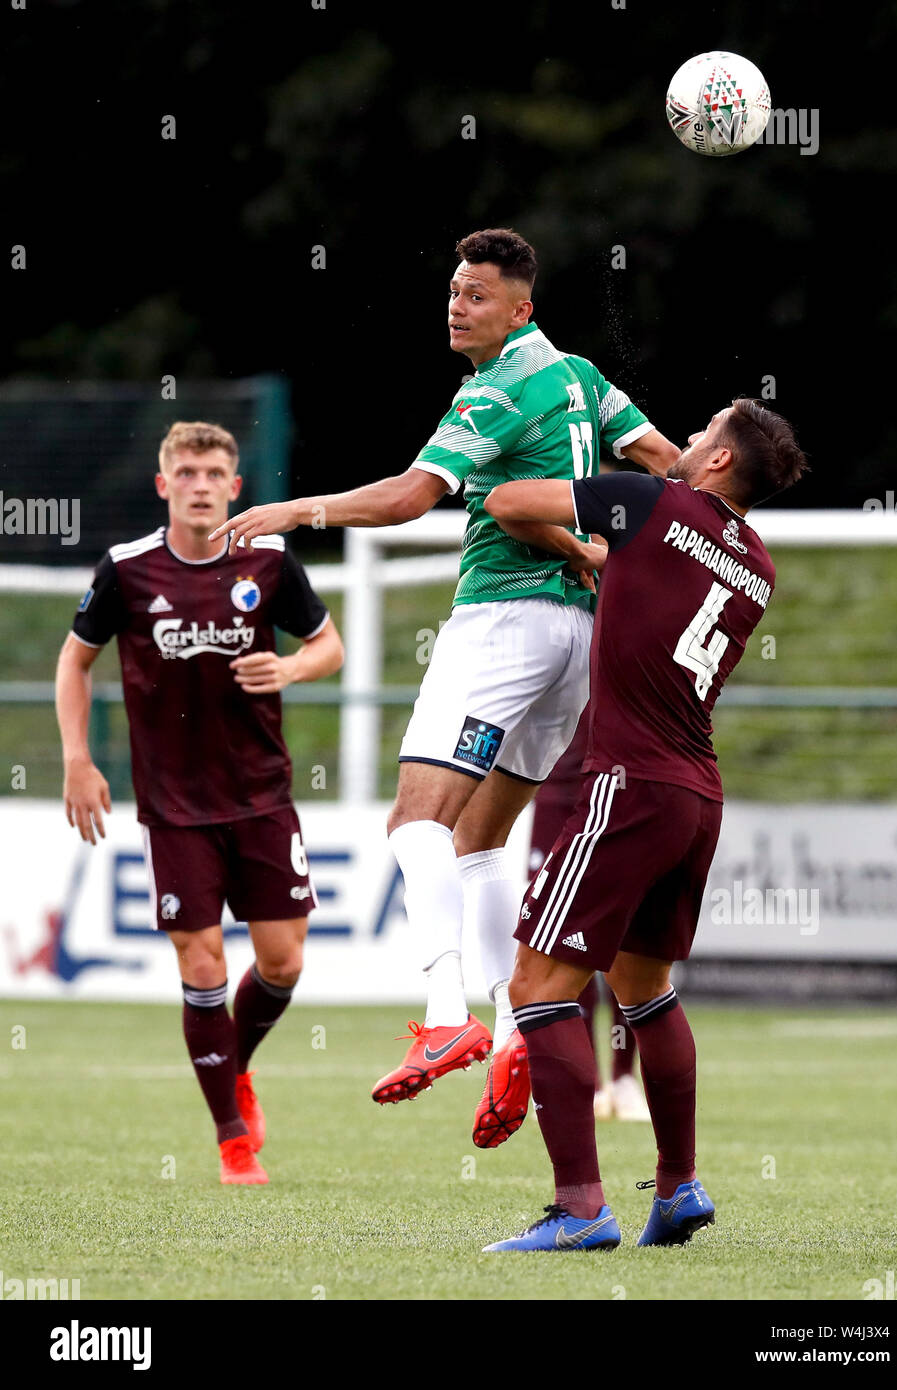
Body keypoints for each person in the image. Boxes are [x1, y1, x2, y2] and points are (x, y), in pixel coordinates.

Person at [211, 228, 679, 1134]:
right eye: (454, 291)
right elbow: (667, 463)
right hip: (579, 637)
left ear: (520, 308)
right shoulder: (582, 377)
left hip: (501, 623)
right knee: (483, 841)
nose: (457, 305)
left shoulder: (499, 389)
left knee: (415, 820)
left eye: (475, 294)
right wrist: (663, 548)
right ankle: (514, 1030)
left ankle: (443, 1017)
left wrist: (292, 509)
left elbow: (405, 501)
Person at [479, 398, 808, 1252]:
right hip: (696, 793)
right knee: (645, 990)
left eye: (702, 432)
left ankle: (581, 1210)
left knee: (537, 988)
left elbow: (506, 503)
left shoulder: (648, 500)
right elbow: (664, 588)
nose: (686, 438)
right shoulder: (760, 565)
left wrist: (617, 504)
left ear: (721, 462)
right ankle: (678, 1186)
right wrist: (608, 551)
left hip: (626, 783)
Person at [55, 421, 344, 1186]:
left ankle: (234, 1065)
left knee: (283, 962)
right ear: (164, 486)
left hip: (262, 797)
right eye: (185, 472)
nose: (201, 484)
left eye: (214, 472)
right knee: (203, 960)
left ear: (235, 486)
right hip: (175, 807)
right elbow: (74, 660)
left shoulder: (270, 560)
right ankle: (231, 1142)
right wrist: (78, 760)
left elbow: (329, 646)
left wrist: (291, 671)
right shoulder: (127, 569)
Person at [529, 707, 651, 1125]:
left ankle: (622, 1076)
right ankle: (589, 1080)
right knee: (559, 938)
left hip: (619, 788)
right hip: (556, 790)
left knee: (627, 938)